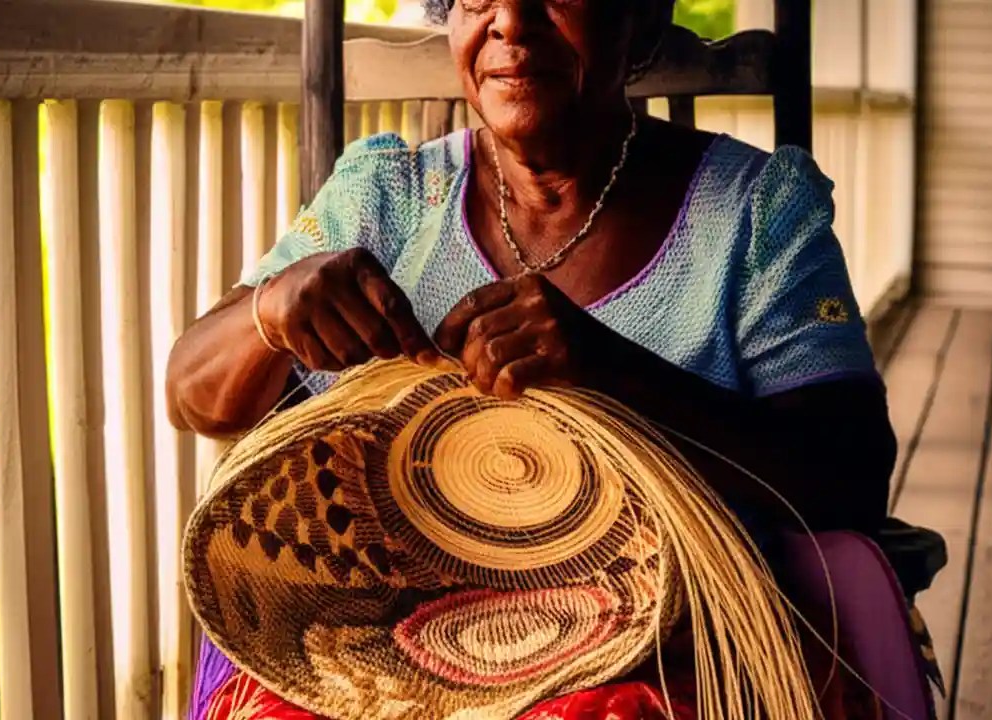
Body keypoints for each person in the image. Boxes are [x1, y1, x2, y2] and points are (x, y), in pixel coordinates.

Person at [166, 0, 898, 716]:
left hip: (666, 636)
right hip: (390, 639)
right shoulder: (386, 199)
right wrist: (270, 311)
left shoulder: (756, 214)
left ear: (637, 17)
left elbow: (851, 473)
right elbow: (191, 396)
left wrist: (612, 373)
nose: (511, 21)